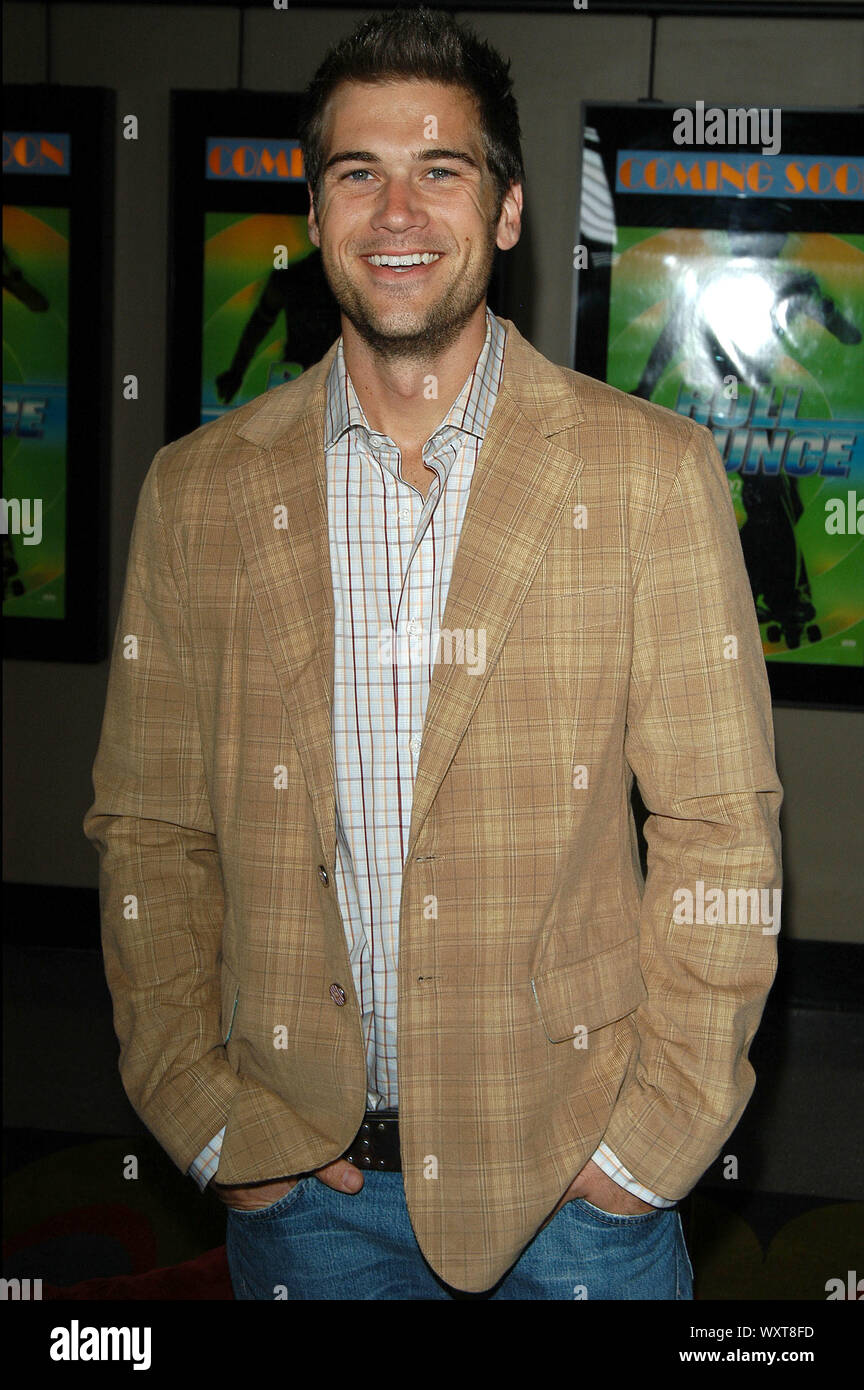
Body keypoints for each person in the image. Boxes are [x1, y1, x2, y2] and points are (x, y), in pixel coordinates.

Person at [83, 7, 783, 1301]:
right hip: (305, 1201)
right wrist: (210, 1115)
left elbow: (720, 830)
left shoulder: (650, 474)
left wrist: (653, 1142)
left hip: (579, 1200)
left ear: (508, 211)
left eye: (439, 170)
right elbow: (147, 826)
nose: (396, 211)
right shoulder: (198, 494)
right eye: (359, 173)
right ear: (314, 211)